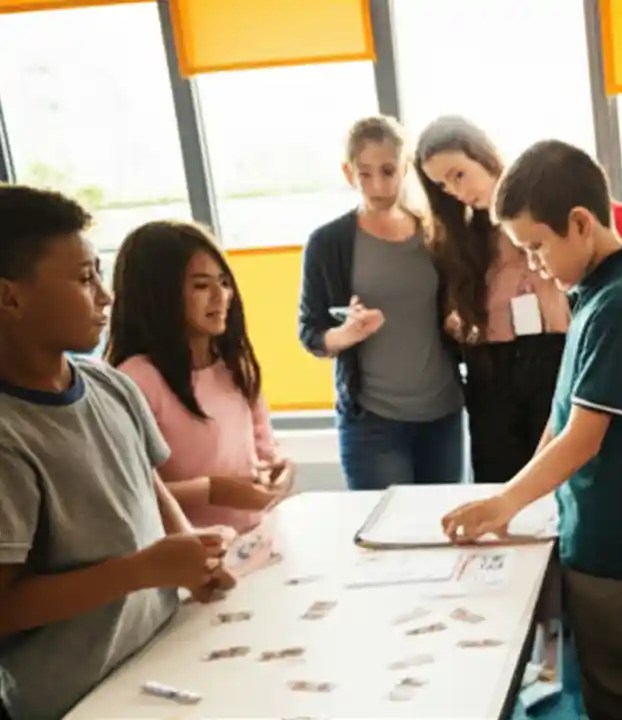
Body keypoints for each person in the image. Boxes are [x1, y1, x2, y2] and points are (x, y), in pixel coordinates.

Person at [441, 141, 622, 720]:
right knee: (594, 677)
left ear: (580, 224)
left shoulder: (619, 304)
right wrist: (523, 497)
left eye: (538, 247)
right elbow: (564, 413)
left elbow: (584, 437)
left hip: (617, 540)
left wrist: (505, 501)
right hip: (591, 526)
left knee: (619, 689)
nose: (536, 264)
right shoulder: (594, 293)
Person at [0, 185, 236, 719]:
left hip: (157, 657)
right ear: (9, 298)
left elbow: (149, 488)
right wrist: (142, 570)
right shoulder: (9, 434)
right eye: (85, 279)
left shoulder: (111, 387)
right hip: (73, 700)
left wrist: (189, 556)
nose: (104, 297)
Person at [298, 115, 465, 489]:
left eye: (388, 171)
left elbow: (457, 308)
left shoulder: (434, 234)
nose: (377, 184)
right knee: (383, 537)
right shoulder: (328, 244)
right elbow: (310, 333)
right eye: (365, 173)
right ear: (348, 172)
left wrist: (459, 321)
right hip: (372, 423)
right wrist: (346, 334)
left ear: (404, 169)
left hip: (443, 416)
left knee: (443, 535)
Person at [107, 220, 295, 536]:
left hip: (256, 538)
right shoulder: (135, 380)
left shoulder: (237, 366)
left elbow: (265, 449)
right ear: (159, 294)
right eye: (200, 285)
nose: (221, 296)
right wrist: (212, 490)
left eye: (223, 282)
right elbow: (127, 492)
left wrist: (279, 474)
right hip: (188, 558)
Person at [415, 116, 571, 485]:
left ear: (482, 155)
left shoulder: (545, 206)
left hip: (551, 355)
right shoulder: (461, 236)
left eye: (458, 174)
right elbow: (451, 314)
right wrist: (458, 320)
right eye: (442, 185)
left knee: (558, 479)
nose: (454, 190)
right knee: (498, 482)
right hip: (491, 370)